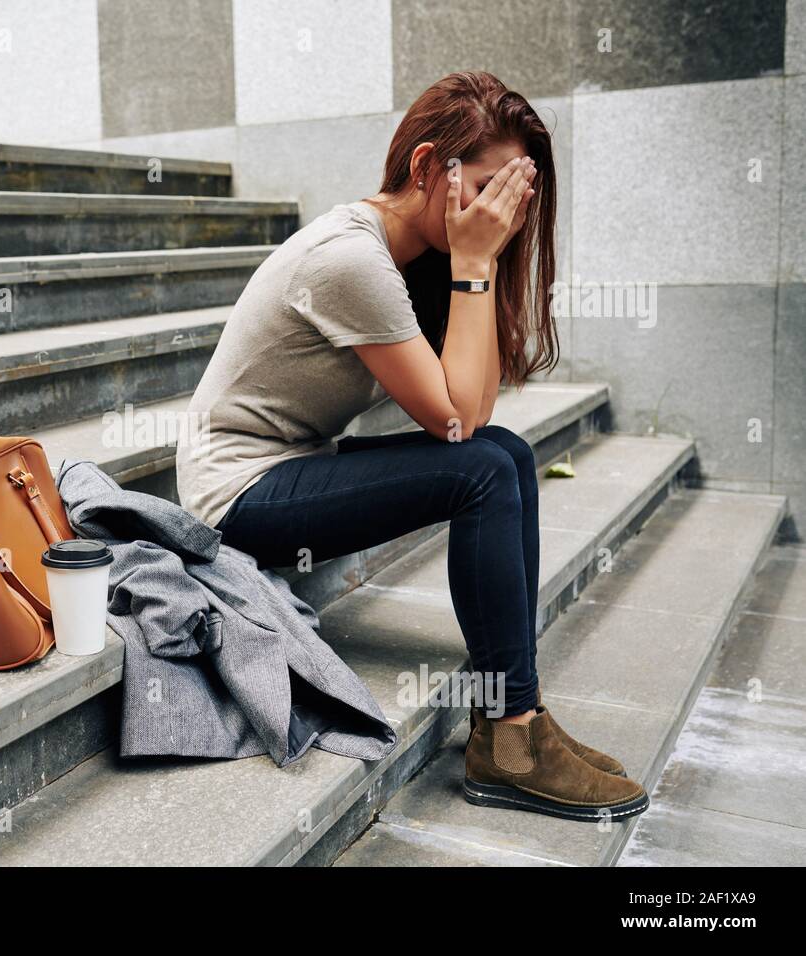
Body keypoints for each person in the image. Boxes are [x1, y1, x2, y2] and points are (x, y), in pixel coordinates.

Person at [175, 72, 648, 822]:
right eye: (487, 188)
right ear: (428, 167)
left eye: (512, 197)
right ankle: (512, 735)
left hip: (297, 465)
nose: (500, 213)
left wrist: (475, 264)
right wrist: (474, 264)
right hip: (237, 494)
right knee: (486, 469)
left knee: (508, 456)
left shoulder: (414, 257)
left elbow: (476, 411)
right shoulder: (350, 260)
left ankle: (513, 718)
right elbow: (456, 423)